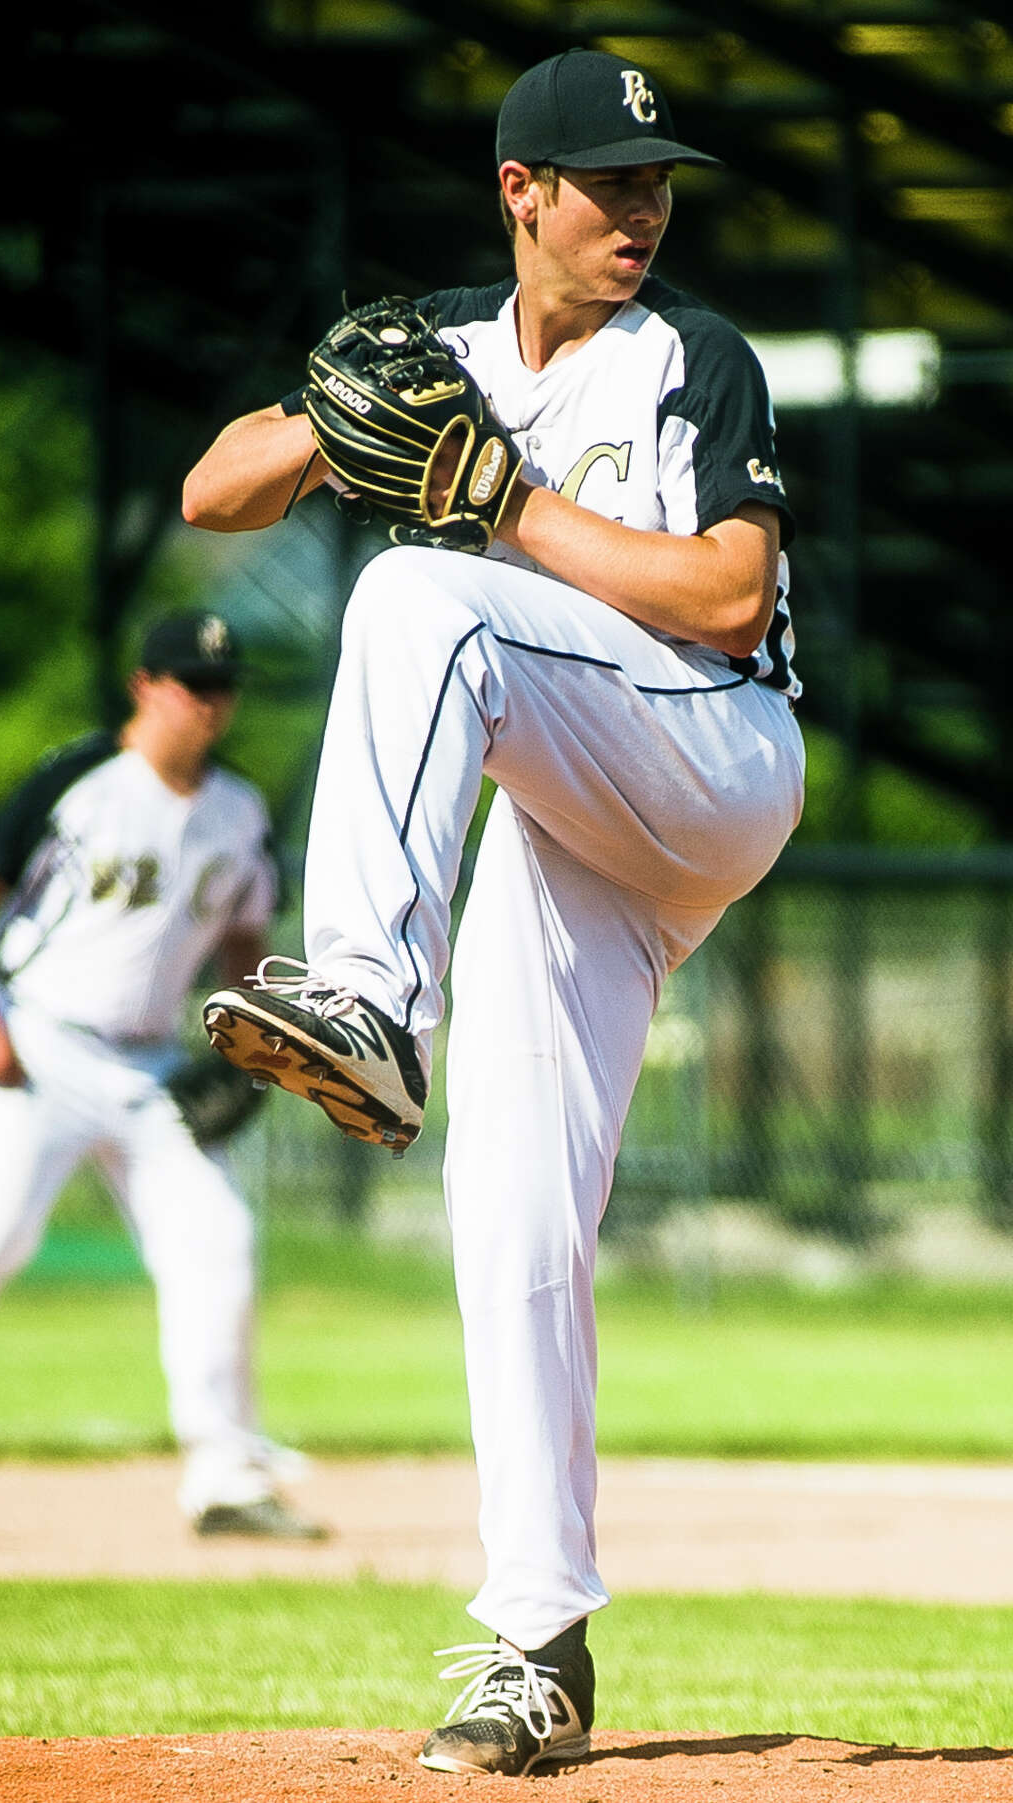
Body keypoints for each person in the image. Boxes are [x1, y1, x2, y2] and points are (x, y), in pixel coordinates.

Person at [184, 46, 803, 1777]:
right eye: (609, 180)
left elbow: (731, 592)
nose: (645, 207)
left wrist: (504, 501)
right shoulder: (439, 337)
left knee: (422, 599)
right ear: (521, 190)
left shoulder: (691, 354)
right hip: (568, 816)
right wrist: (324, 427)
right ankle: (539, 1642)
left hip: (714, 754)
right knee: (514, 1202)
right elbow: (204, 494)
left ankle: (373, 992)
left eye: (659, 178)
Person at [0, 611, 325, 1546]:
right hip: (42, 1040)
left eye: (223, 686)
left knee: (217, 1238)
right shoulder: (83, 779)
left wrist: (247, 1048)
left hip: (148, 1067)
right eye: (192, 683)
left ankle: (223, 1474)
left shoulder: (239, 812)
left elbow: (245, 941)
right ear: (145, 685)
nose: (211, 703)